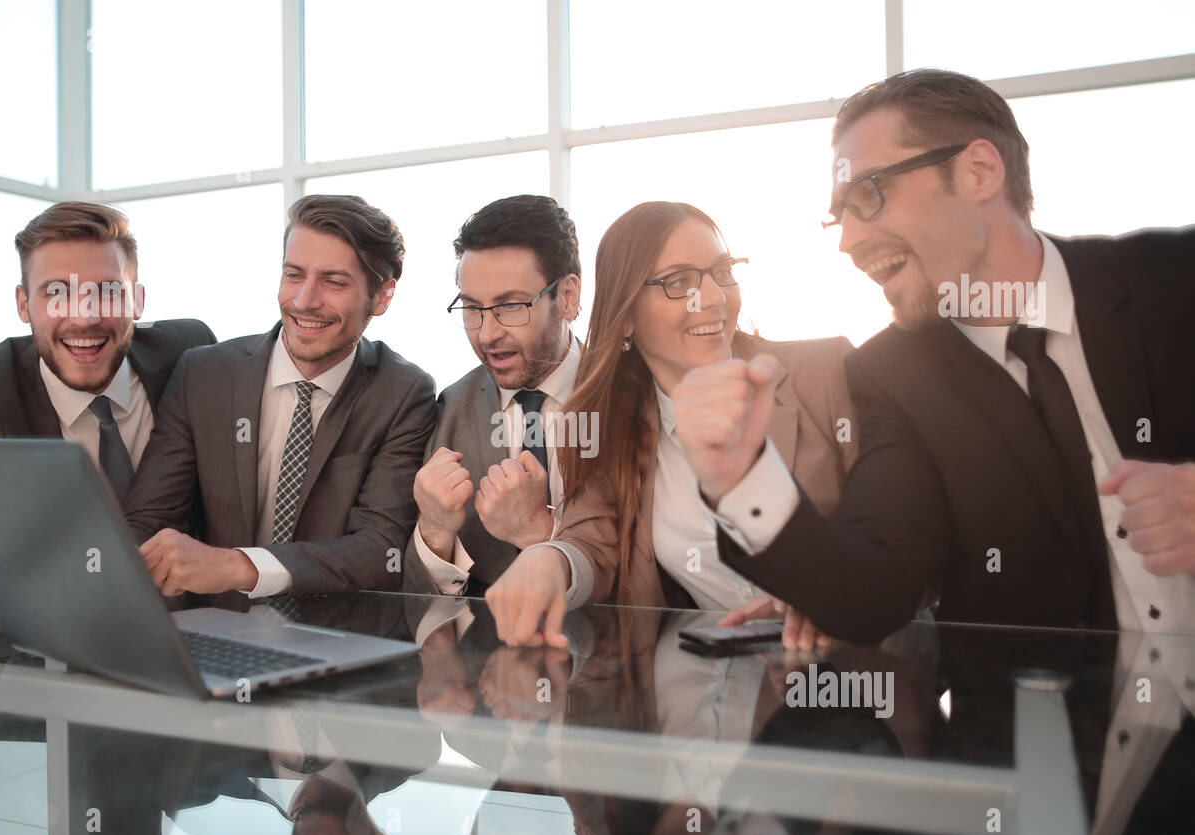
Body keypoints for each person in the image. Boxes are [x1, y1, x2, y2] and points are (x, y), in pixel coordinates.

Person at [673, 69, 1195, 646]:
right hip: (1034, 727)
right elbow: (870, 594)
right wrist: (741, 480)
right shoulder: (892, 375)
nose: (846, 241)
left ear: (978, 172)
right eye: (838, 214)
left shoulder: (1176, 282)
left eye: (868, 194)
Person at [485, 201, 859, 646]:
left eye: (722, 272)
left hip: (847, 675)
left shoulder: (827, 372)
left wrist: (835, 597)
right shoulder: (614, 424)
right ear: (624, 318)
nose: (715, 297)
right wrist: (550, 560)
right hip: (700, 693)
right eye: (679, 282)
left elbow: (907, 547)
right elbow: (592, 541)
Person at [0, 201, 215, 612]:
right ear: (23, 304)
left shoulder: (189, 352)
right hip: (48, 640)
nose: (83, 318)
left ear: (137, 300)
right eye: (56, 292)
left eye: (107, 291)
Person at [122, 194, 436, 599]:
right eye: (293, 275)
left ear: (381, 296)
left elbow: (382, 550)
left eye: (334, 281)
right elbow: (148, 516)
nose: (304, 301)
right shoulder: (203, 374)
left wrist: (239, 567)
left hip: (335, 636)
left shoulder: (402, 393)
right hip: (212, 628)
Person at [404, 195, 583, 598]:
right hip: (483, 655)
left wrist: (540, 532)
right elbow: (411, 604)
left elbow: (659, 578)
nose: (486, 335)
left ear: (568, 297)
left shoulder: (631, 398)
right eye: (472, 308)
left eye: (511, 306)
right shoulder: (449, 409)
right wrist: (434, 532)